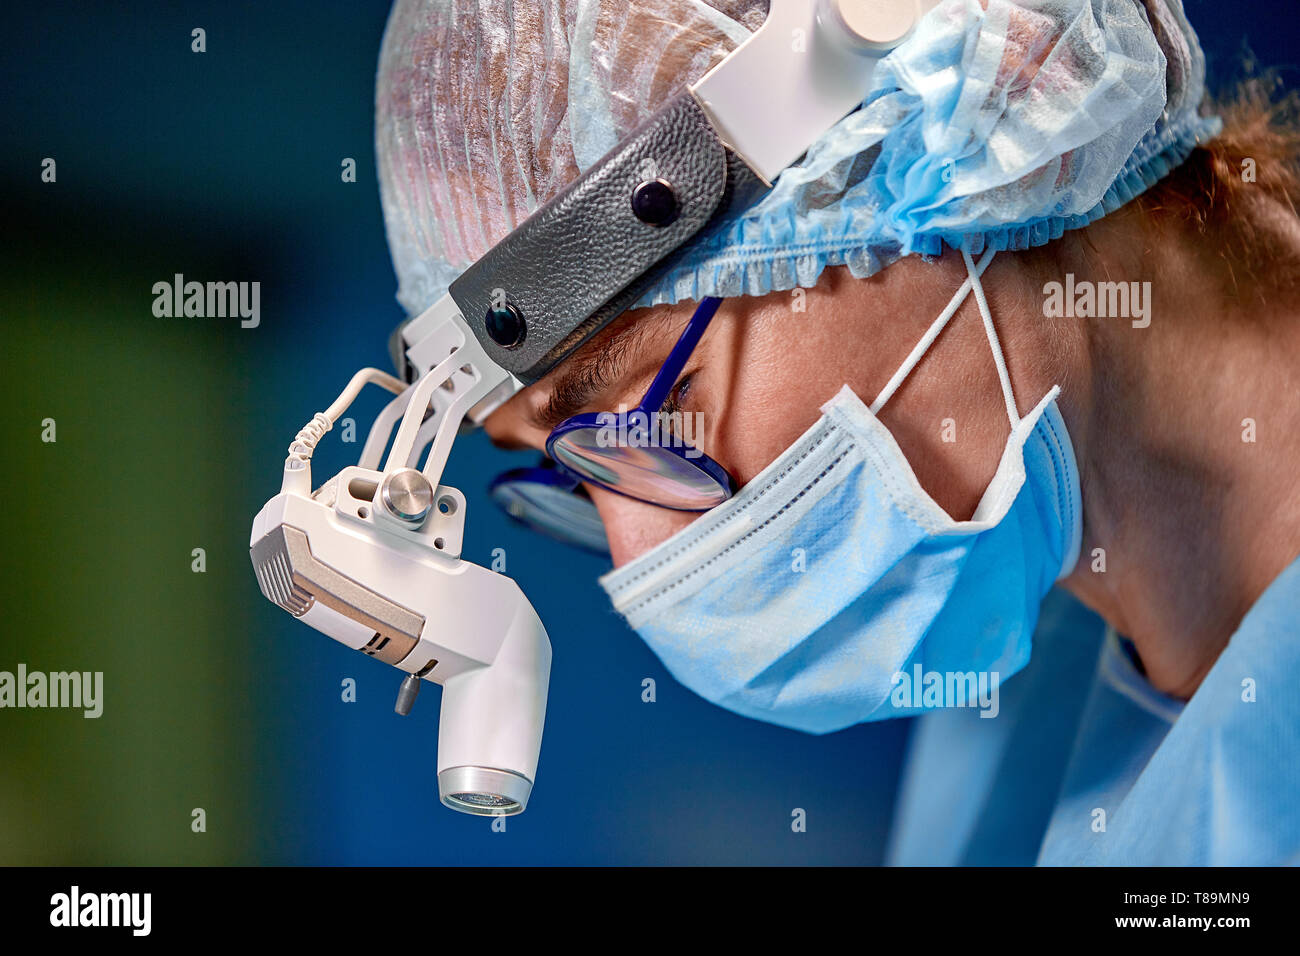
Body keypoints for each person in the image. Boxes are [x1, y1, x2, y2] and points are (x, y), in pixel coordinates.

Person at [374, 0, 1300, 863]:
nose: (643, 553)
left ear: (985, 80)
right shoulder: (1022, 747)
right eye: (580, 475)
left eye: (661, 402)